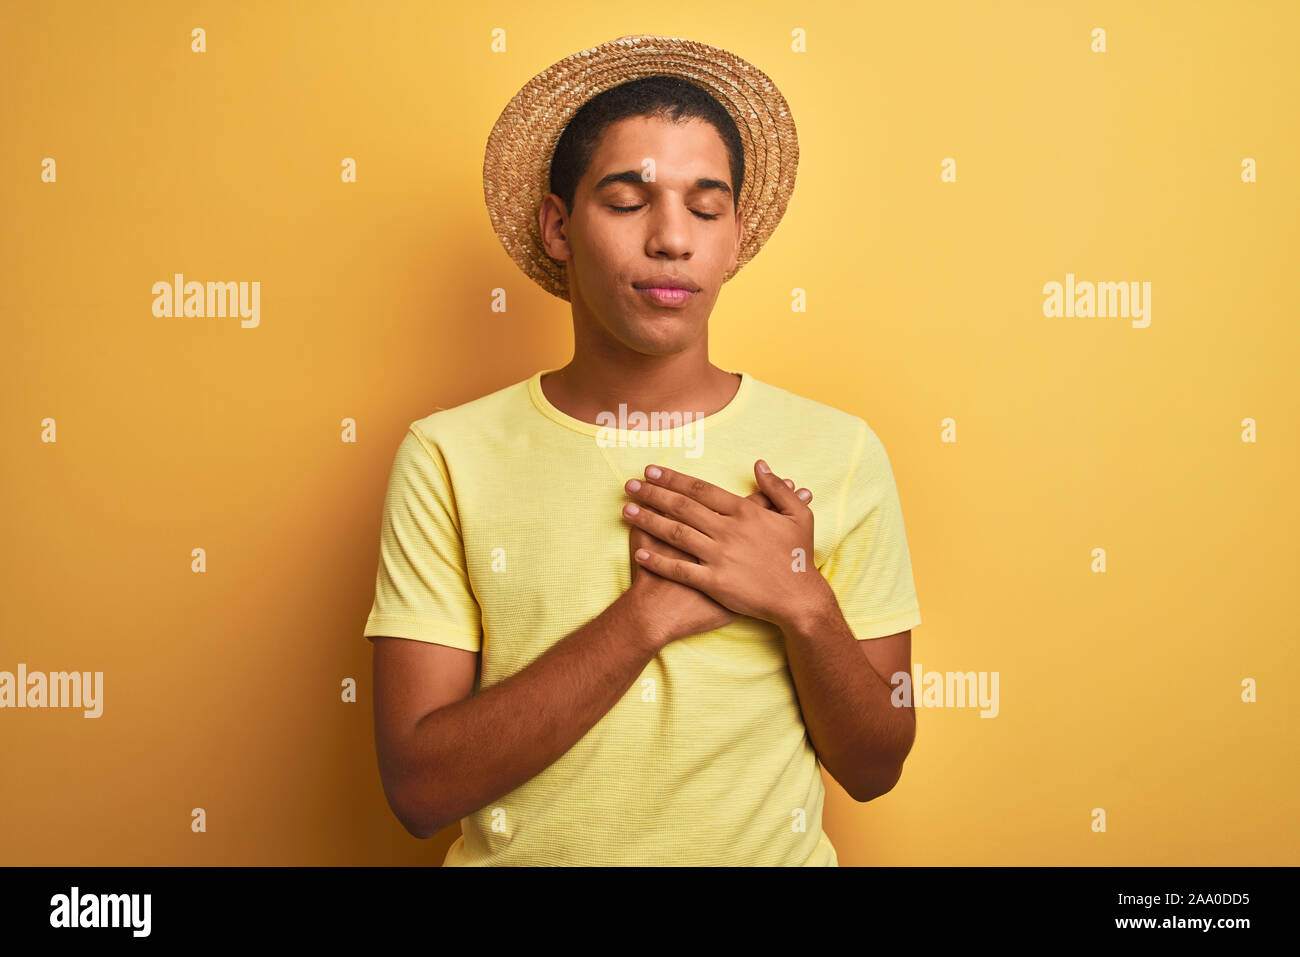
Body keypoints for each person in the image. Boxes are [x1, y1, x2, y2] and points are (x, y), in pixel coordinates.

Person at [362, 34, 922, 866]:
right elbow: (419, 788)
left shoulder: (839, 451)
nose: (671, 240)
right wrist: (648, 615)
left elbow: (876, 766)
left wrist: (801, 601)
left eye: (706, 208)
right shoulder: (447, 456)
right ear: (558, 225)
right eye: (627, 202)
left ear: (736, 238)